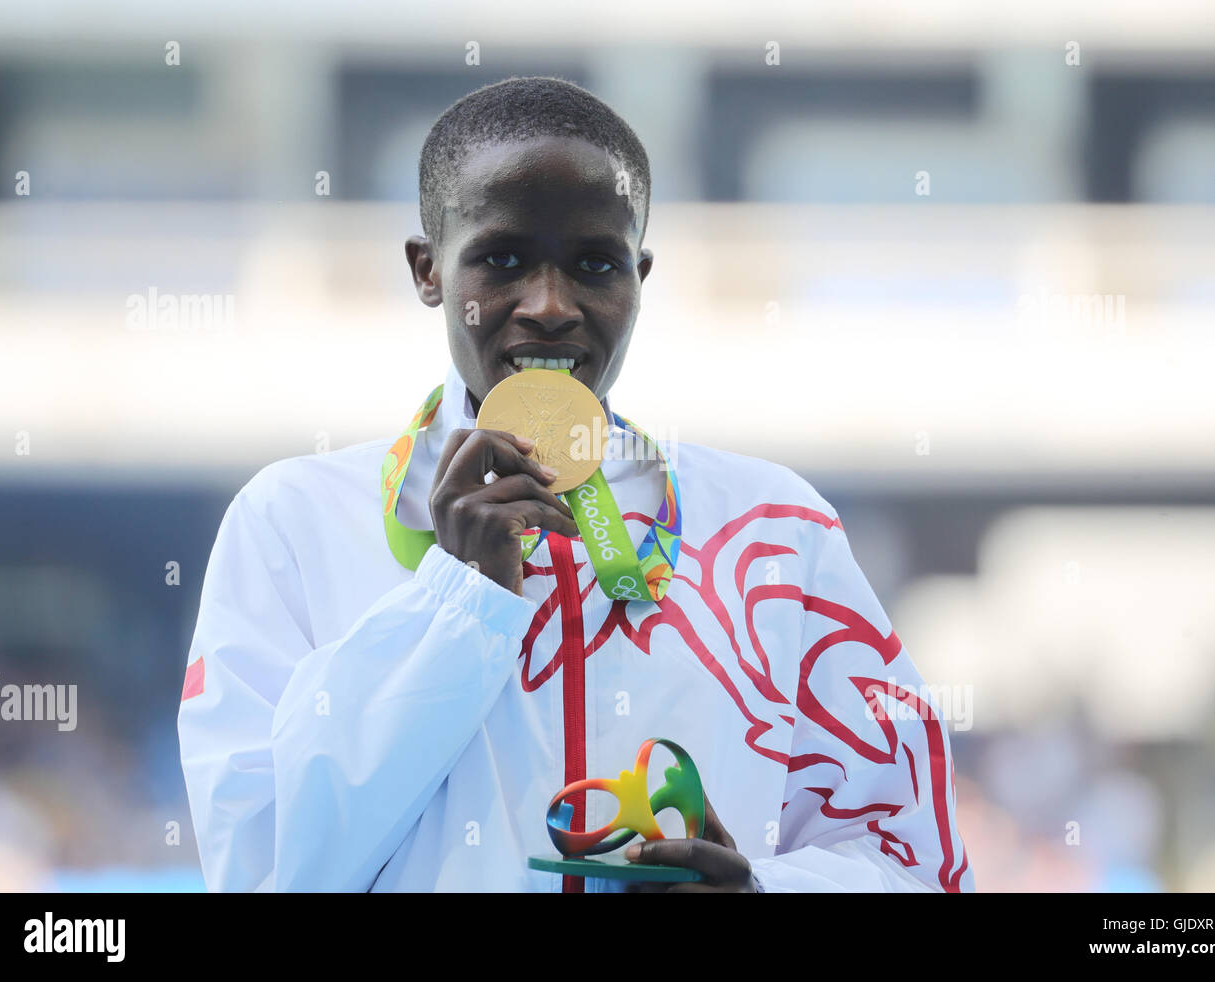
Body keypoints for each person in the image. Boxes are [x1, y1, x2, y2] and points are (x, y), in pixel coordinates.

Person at [177, 76, 974, 893]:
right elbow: (264, 868)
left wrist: (761, 892)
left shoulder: (779, 532)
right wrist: (456, 603)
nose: (551, 306)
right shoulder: (292, 522)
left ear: (638, 277)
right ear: (428, 271)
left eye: (595, 263)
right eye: (503, 258)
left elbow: (914, 859)